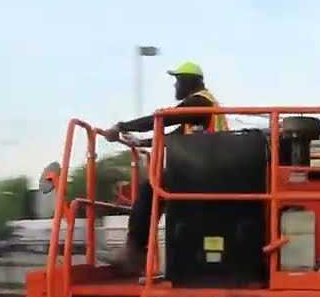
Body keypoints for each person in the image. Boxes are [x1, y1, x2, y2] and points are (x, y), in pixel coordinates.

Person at [98, 61, 229, 272]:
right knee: (156, 185)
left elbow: (162, 119)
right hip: (209, 171)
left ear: (189, 82)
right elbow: (171, 137)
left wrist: (121, 126)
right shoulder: (200, 110)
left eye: (177, 81)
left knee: (150, 187)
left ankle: (134, 252)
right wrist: (140, 143)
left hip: (206, 173)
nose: (175, 86)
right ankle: (137, 251)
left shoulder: (199, 103)